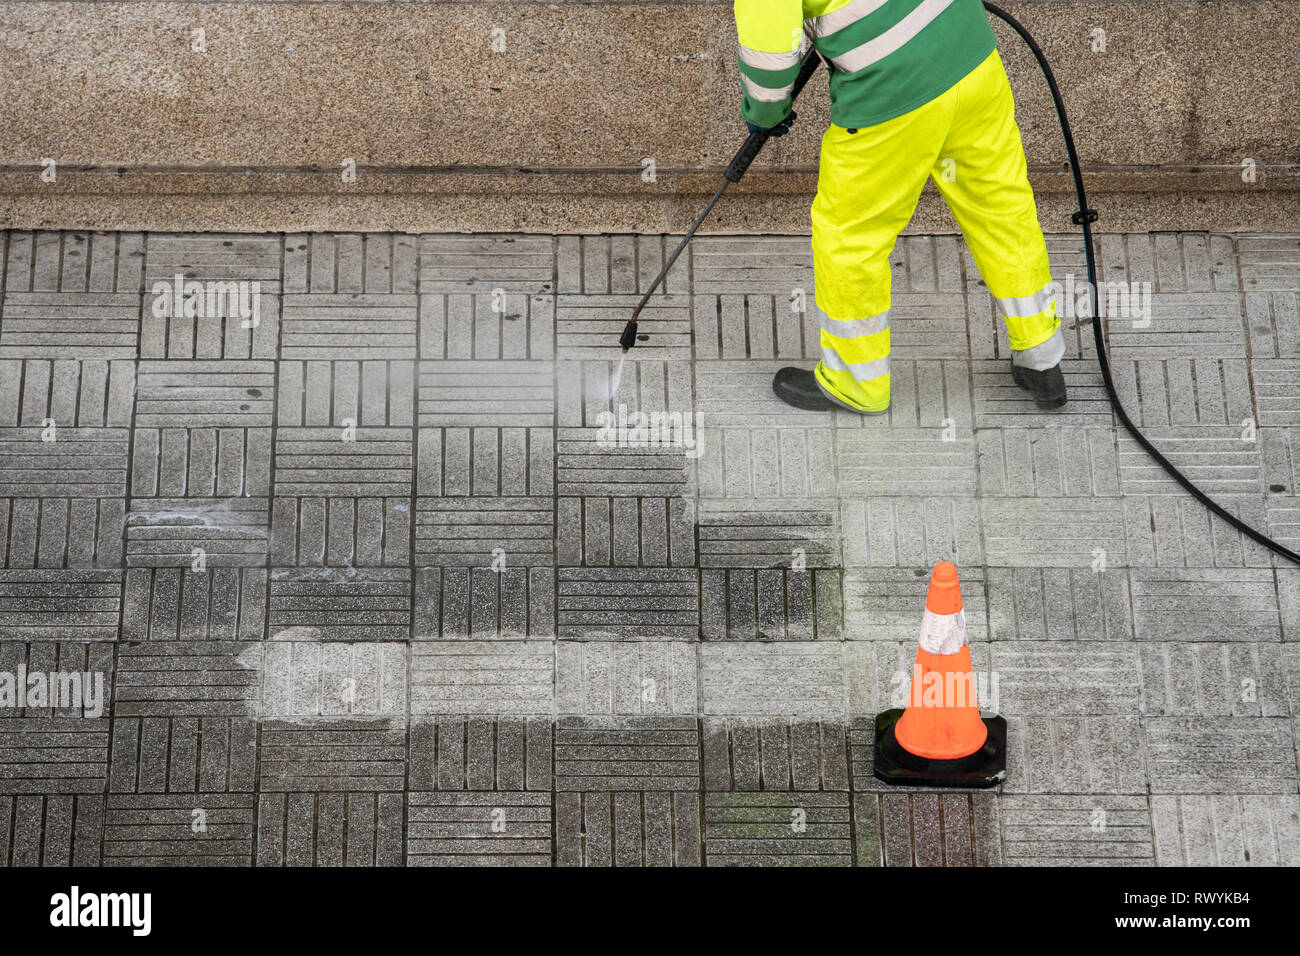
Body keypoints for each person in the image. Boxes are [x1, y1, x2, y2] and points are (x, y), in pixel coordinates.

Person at [735, 0, 1067, 413]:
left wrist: (766, 111)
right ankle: (1041, 356)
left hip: (892, 91)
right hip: (971, 56)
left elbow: (769, 61)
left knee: (852, 235)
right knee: (1001, 209)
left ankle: (857, 382)